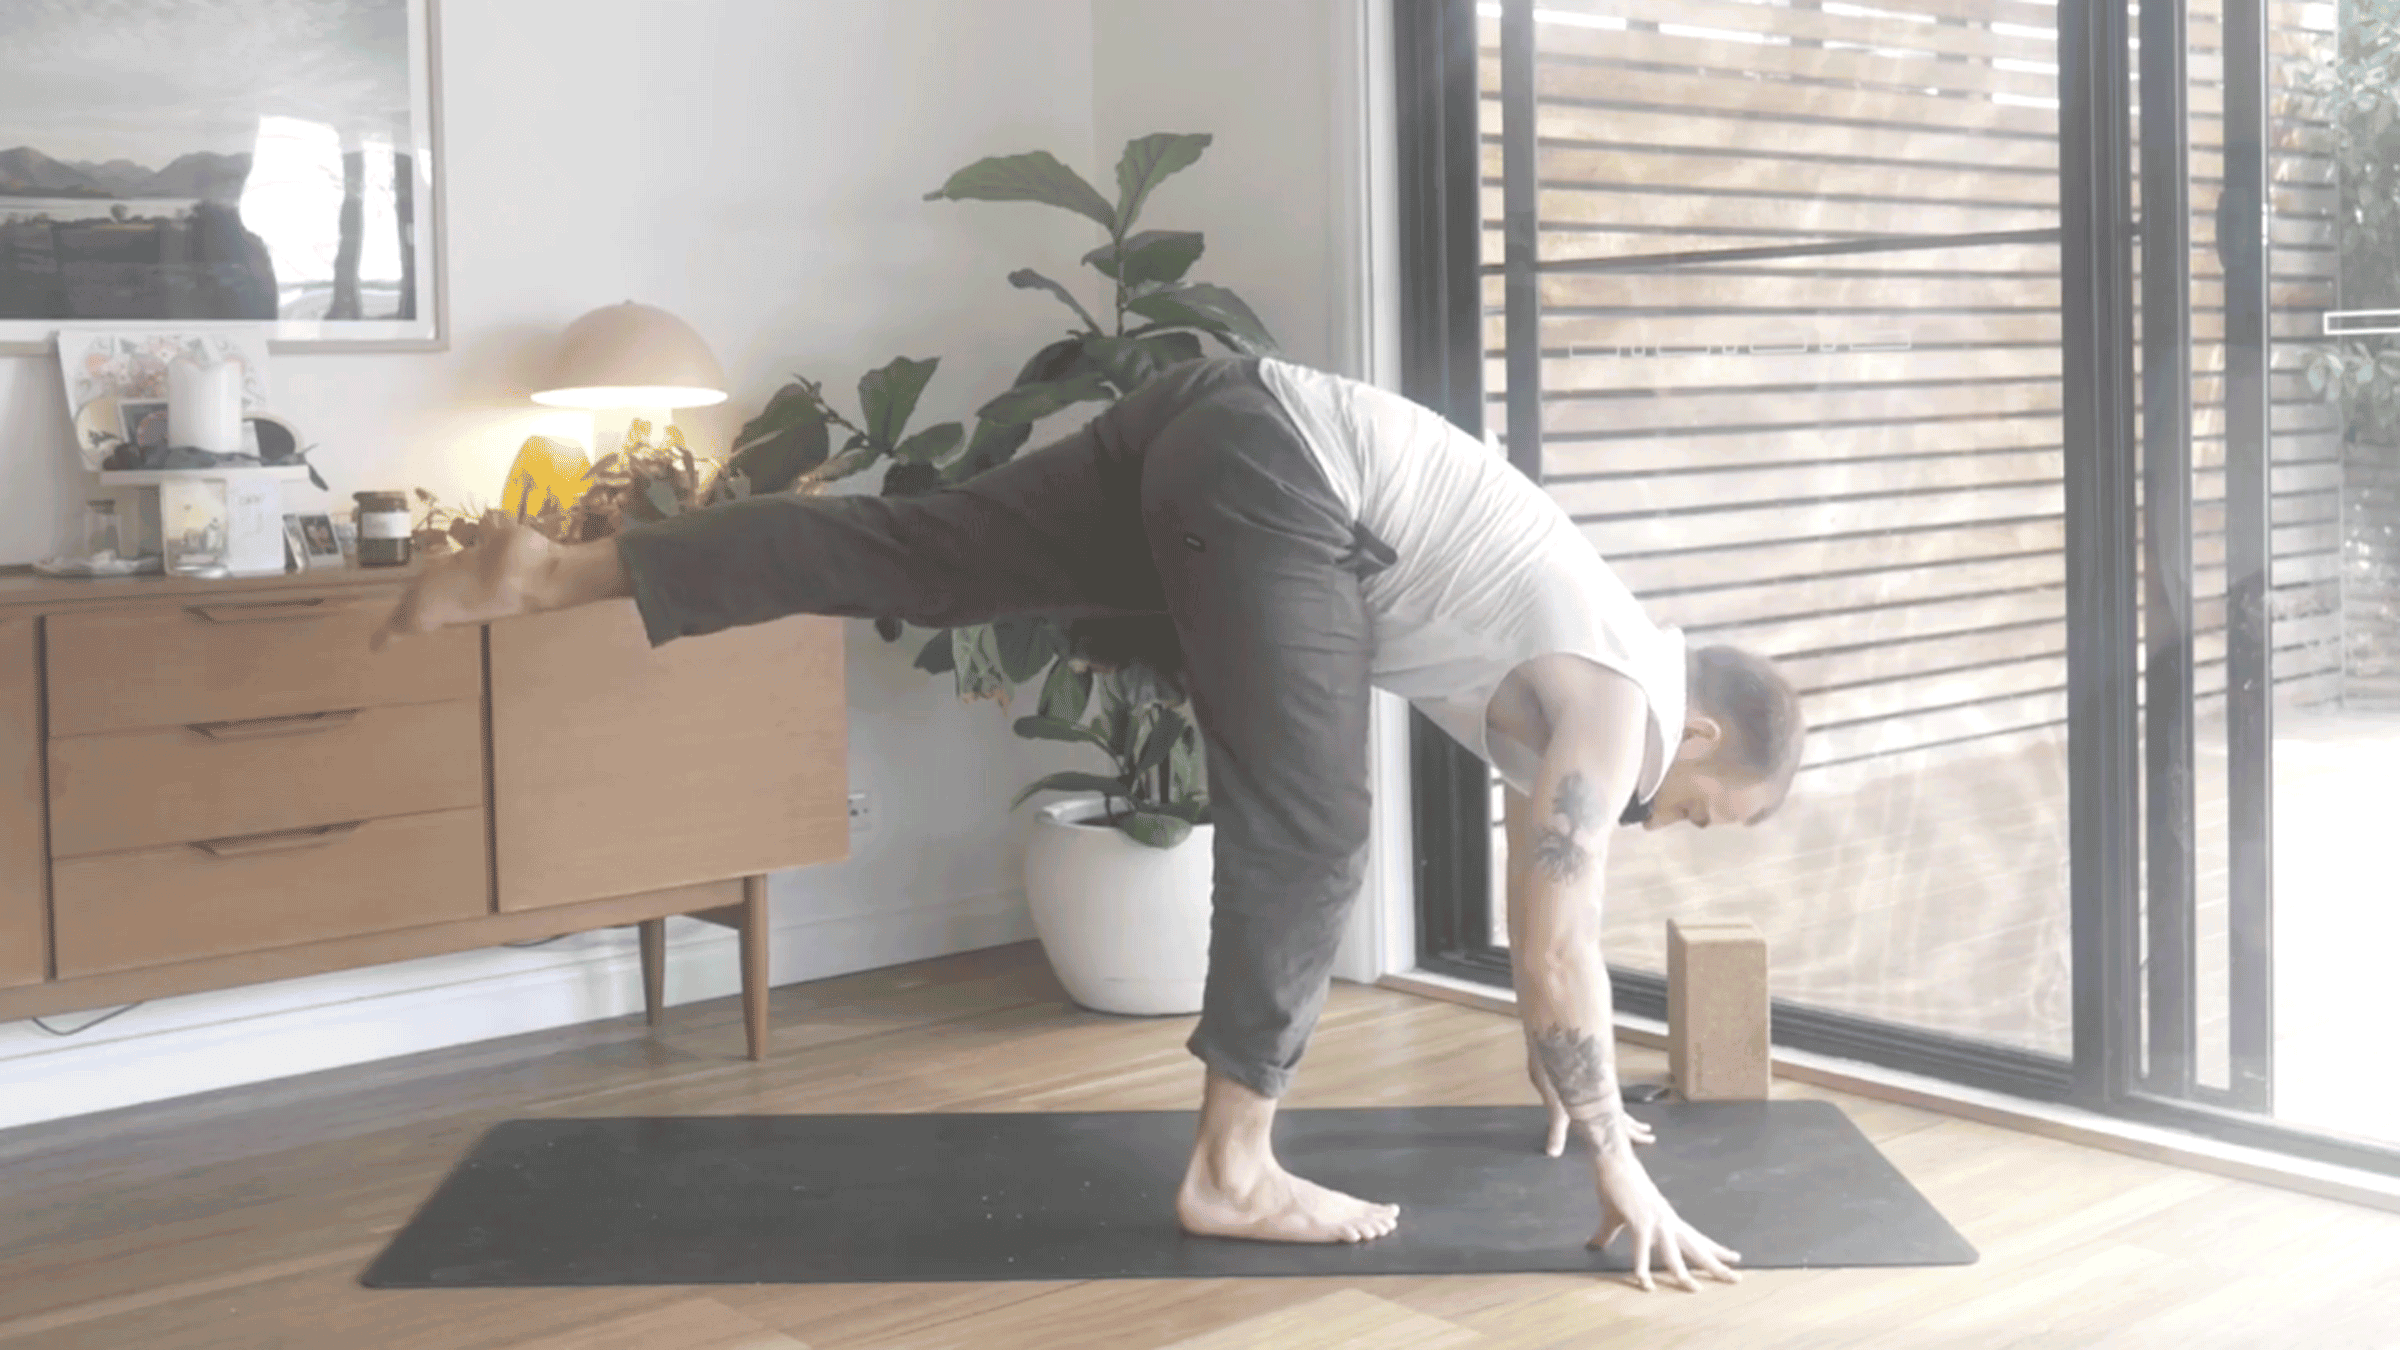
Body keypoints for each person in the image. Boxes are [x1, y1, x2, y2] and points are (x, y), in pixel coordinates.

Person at [371, 354, 1804, 1293]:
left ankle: (559, 571)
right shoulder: (1620, 700)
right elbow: (1557, 940)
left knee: (917, 551)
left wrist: (1571, 1085)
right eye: (1713, 813)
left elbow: (1540, 912)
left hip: (1212, 416)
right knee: (1311, 831)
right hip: (1280, 477)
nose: (1681, 826)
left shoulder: (1585, 655)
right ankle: (1234, 1170)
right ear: (1707, 732)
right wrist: (1621, 1160)